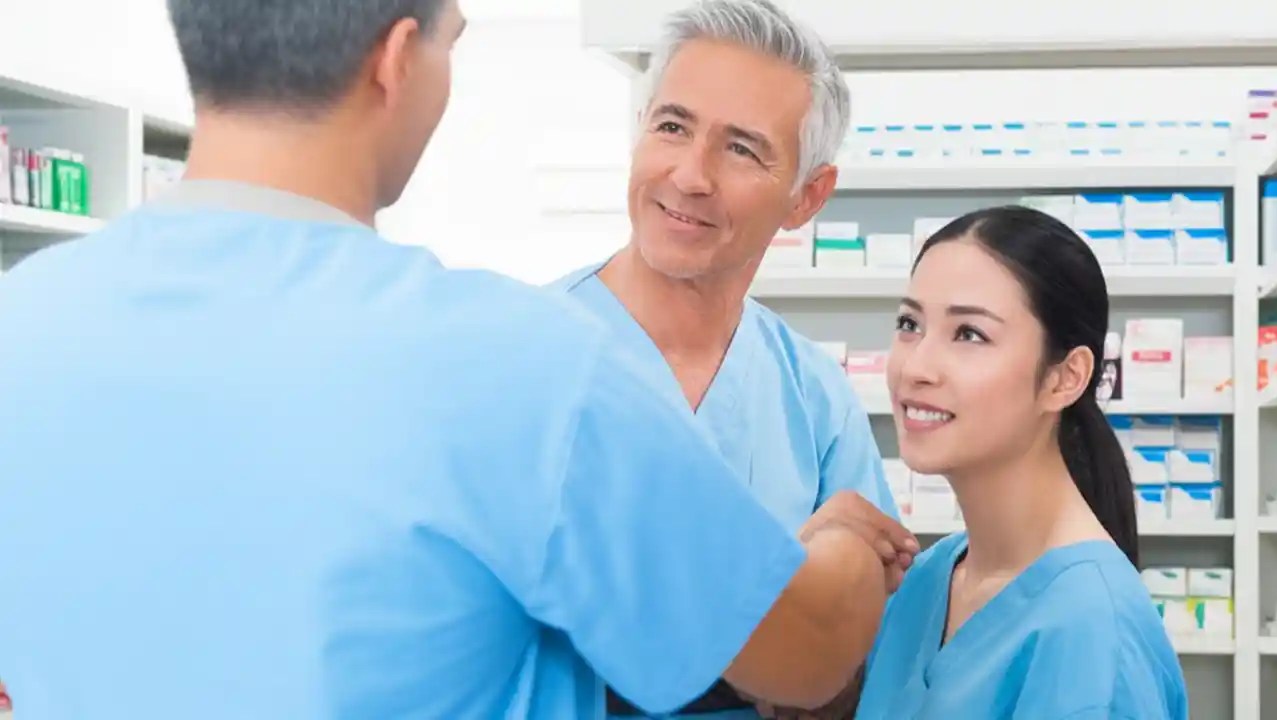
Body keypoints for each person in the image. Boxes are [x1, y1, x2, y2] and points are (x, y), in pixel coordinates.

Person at [0, 1, 914, 718]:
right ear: (398, 60)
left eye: (742, 148)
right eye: (452, 43)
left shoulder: (23, 321)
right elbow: (809, 650)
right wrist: (838, 547)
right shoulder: (514, 362)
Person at [552, 2, 912, 719]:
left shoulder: (811, 395)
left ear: (807, 196)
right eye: (672, 126)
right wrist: (779, 603)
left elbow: (854, 674)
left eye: (742, 149)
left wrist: (813, 629)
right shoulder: (525, 358)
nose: (691, 175)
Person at [855, 206, 1189, 720]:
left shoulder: (1094, 636)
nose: (916, 367)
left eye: (969, 334)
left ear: (1064, 378)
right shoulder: (928, 579)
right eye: (909, 324)